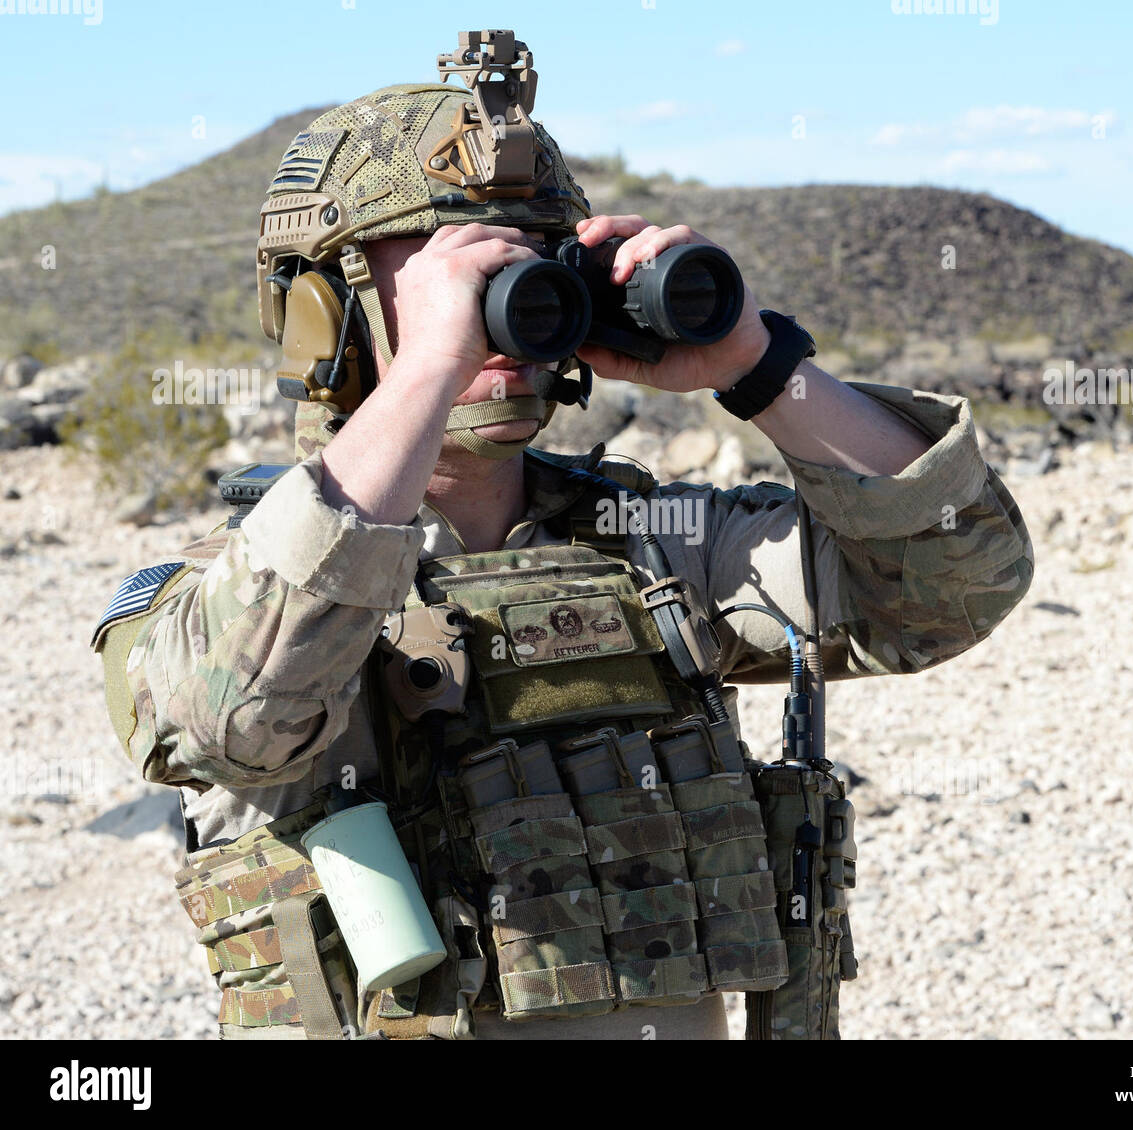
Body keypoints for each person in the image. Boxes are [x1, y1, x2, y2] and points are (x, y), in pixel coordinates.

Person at [93, 30, 1033, 1041]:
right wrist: (425, 372)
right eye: (451, 267)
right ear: (328, 306)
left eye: (531, 264)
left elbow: (954, 582)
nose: (501, 310)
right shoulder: (217, 596)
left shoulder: (653, 549)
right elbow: (226, 714)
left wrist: (759, 365)